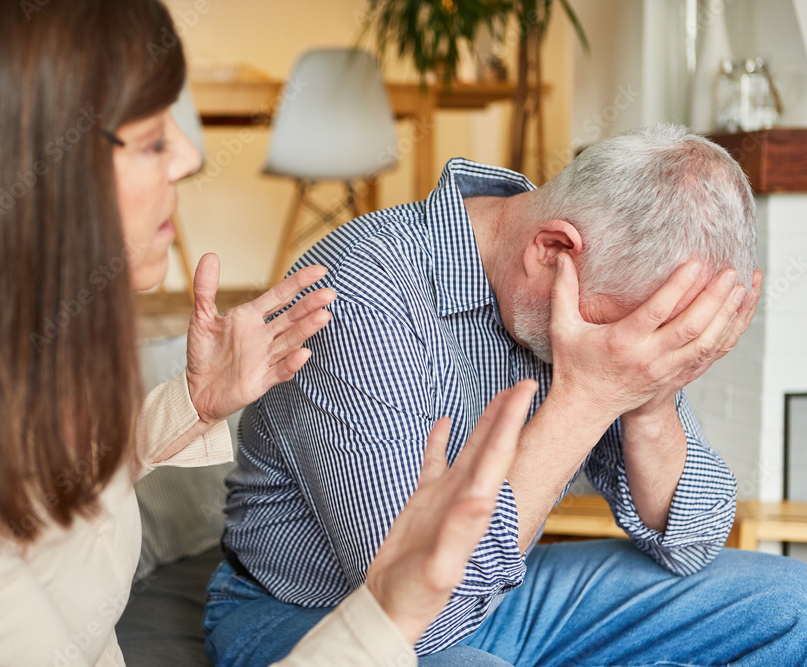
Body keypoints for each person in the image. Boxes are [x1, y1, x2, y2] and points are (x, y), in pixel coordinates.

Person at [0, 2, 538, 666]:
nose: (189, 158)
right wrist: (394, 606)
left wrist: (192, 400)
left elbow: (30, 481)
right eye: (155, 140)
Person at [207, 124, 807, 666]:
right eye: (629, 334)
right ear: (553, 251)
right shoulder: (365, 294)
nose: (634, 353)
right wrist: (592, 395)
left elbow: (693, 544)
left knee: (794, 606)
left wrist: (652, 394)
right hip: (318, 616)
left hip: (502, 598)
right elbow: (415, 617)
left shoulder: (603, 292)